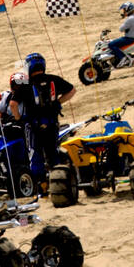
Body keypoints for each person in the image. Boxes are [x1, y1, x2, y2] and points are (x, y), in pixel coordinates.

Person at [20, 53, 76, 182]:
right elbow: (72, 90)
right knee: (53, 155)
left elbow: (14, 103)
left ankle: (41, 187)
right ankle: (60, 182)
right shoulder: (53, 79)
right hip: (52, 125)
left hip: (34, 128)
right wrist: (58, 102)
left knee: (35, 156)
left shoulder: (25, 84)